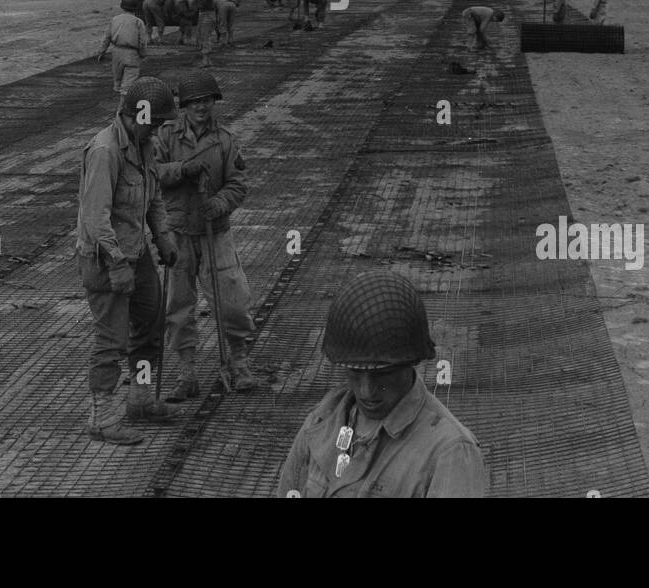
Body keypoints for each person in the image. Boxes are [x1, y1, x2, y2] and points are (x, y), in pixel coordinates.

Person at [276, 271, 487, 498]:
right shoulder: (323, 420)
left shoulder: (450, 452)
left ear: (411, 363)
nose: (367, 391)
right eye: (356, 372)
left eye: (383, 375)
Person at [77, 77, 181, 443]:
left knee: (150, 325)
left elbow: (152, 199)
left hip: (137, 253)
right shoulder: (105, 151)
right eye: (152, 123)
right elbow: (95, 217)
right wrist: (117, 264)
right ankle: (102, 419)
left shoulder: (145, 146)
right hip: (106, 259)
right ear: (135, 115)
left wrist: (164, 236)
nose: (156, 131)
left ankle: (140, 398)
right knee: (112, 340)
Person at [153, 71, 256, 399]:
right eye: (194, 102)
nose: (201, 107)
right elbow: (151, 173)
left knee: (232, 303)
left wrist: (218, 203)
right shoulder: (166, 136)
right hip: (178, 233)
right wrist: (181, 170)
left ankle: (238, 363)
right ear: (184, 106)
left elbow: (238, 183)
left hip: (216, 233)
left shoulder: (226, 140)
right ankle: (187, 373)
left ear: (214, 102)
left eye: (206, 100)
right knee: (179, 307)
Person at [95, 0, 149, 94]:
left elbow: (107, 37)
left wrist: (101, 52)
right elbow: (142, 41)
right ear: (136, 7)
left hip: (116, 52)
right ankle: (121, 107)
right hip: (132, 53)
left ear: (122, 6)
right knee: (129, 83)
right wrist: (143, 54)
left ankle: (117, 103)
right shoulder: (138, 22)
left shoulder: (115, 19)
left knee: (117, 81)